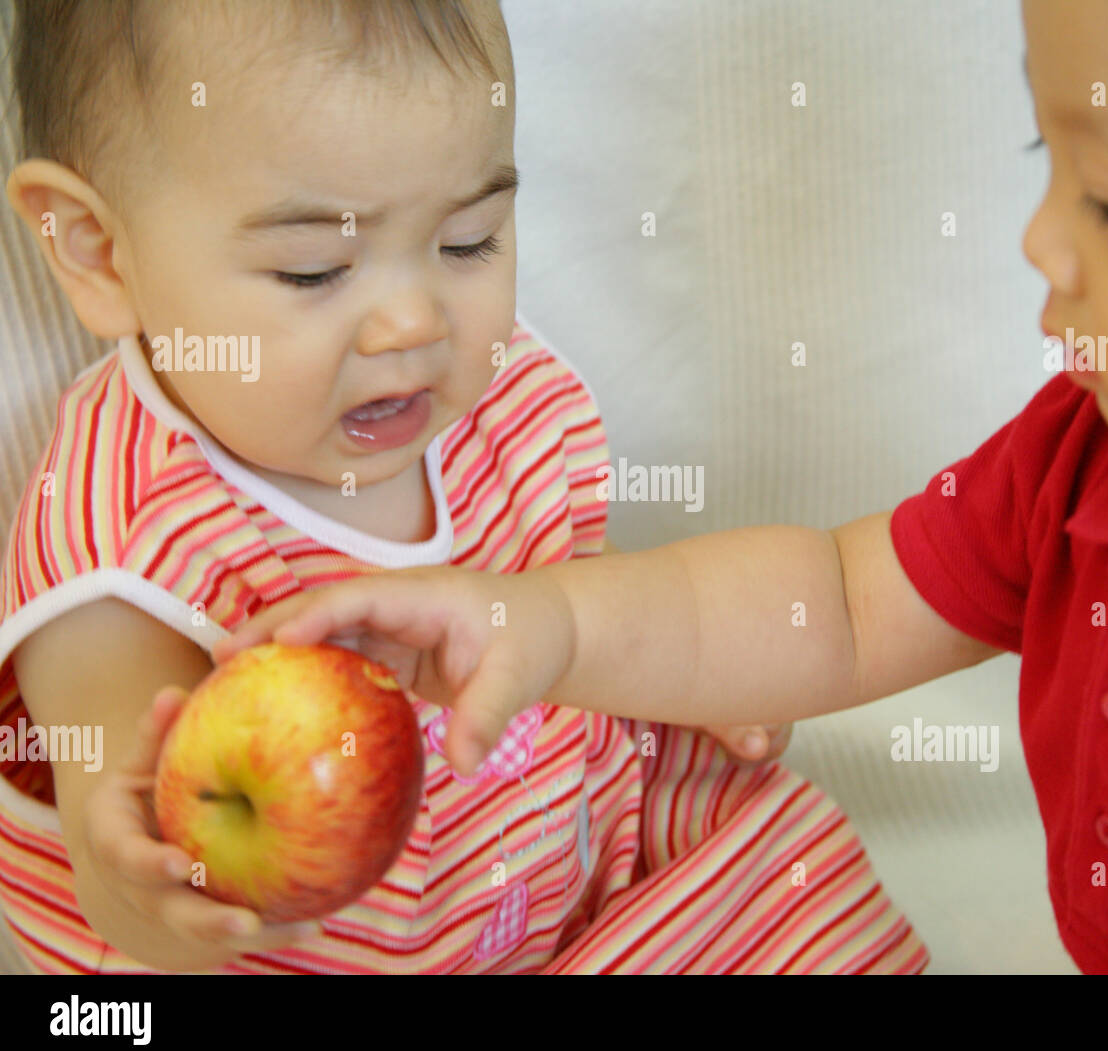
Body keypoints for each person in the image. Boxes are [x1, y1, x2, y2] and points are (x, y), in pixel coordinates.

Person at [222, 0, 1108, 974]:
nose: (1038, 238)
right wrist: (538, 621)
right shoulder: (1081, 454)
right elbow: (834, 603)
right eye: (1042, 153)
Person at [0, 0, 924, 973]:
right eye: (315, 270)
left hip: (560, 852)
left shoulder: (488, 403)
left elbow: (557, 577)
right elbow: (118, 851)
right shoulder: (129, 547)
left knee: (781, 877)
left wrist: (665, 669)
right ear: (97, 249)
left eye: (468, 241)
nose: (412, 322)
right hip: (337, 959)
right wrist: (168, 886)